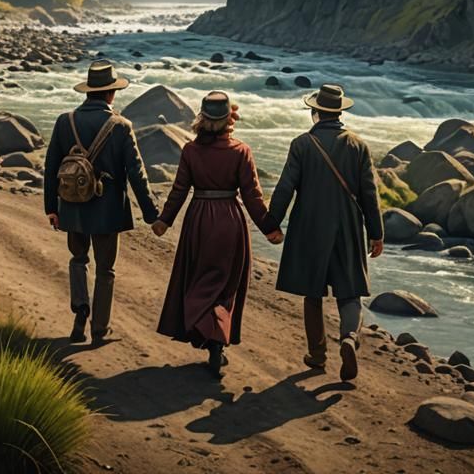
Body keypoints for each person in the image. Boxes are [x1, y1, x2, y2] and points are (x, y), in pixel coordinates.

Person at [152, 91, 283, 376]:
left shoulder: (190, 150)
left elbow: (179, 190)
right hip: (229, 222)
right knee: (225, 285)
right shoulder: (241, 151)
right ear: (229, 120)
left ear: (201, 118)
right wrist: (270, 229)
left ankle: (203, 329)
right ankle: (216, 345)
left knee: (199, 280)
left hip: (198, 220)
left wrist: (164, 221)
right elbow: (252, 196)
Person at [267, 83, 384, 382]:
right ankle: (349, 338)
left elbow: (285, 188)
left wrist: (271, 224)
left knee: (313, 293)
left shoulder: (302, 144)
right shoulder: (358, 145)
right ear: (340, 112)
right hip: (348, 226)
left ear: (315, 112)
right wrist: (376, 233)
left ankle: (317, 355)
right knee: (350, 292)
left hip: (309, 226)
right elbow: (369, 194)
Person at [44, 60, 159, 345]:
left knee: (78, 259)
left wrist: (51, 209)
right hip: (108, 211)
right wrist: (151, 214)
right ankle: (99, 329)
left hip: (72, 206)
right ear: (111, 93)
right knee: (105, 270)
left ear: (88, 91)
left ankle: (80, 311)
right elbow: (137, 174)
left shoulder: (65, 121)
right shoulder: (121, 126)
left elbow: (51, 167)